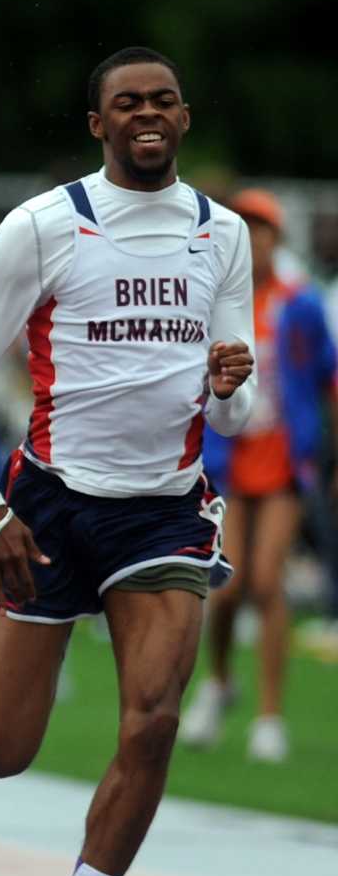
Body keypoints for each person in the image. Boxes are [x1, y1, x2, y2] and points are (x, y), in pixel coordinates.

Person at [0, 47, 256, 876]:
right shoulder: (44, 226)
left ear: (182, 117)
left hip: (165, 512)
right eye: (125, 104)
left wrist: (233, 391)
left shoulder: (220, 234)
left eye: (160, 100)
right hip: (49, 507)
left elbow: (237, 409)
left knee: (150, 720)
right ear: (96, 123)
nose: (144, 115)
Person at [181, 190, 333, 760]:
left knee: (267, 583)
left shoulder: (299, 303)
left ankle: (270, 715)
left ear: (277, 238)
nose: (257, 239)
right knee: (224, 588)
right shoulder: (212, 299)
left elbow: (327, 375)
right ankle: (219, 682)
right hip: (228, 458)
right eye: (248, 228)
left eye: (265, 229)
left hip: (283, 458)